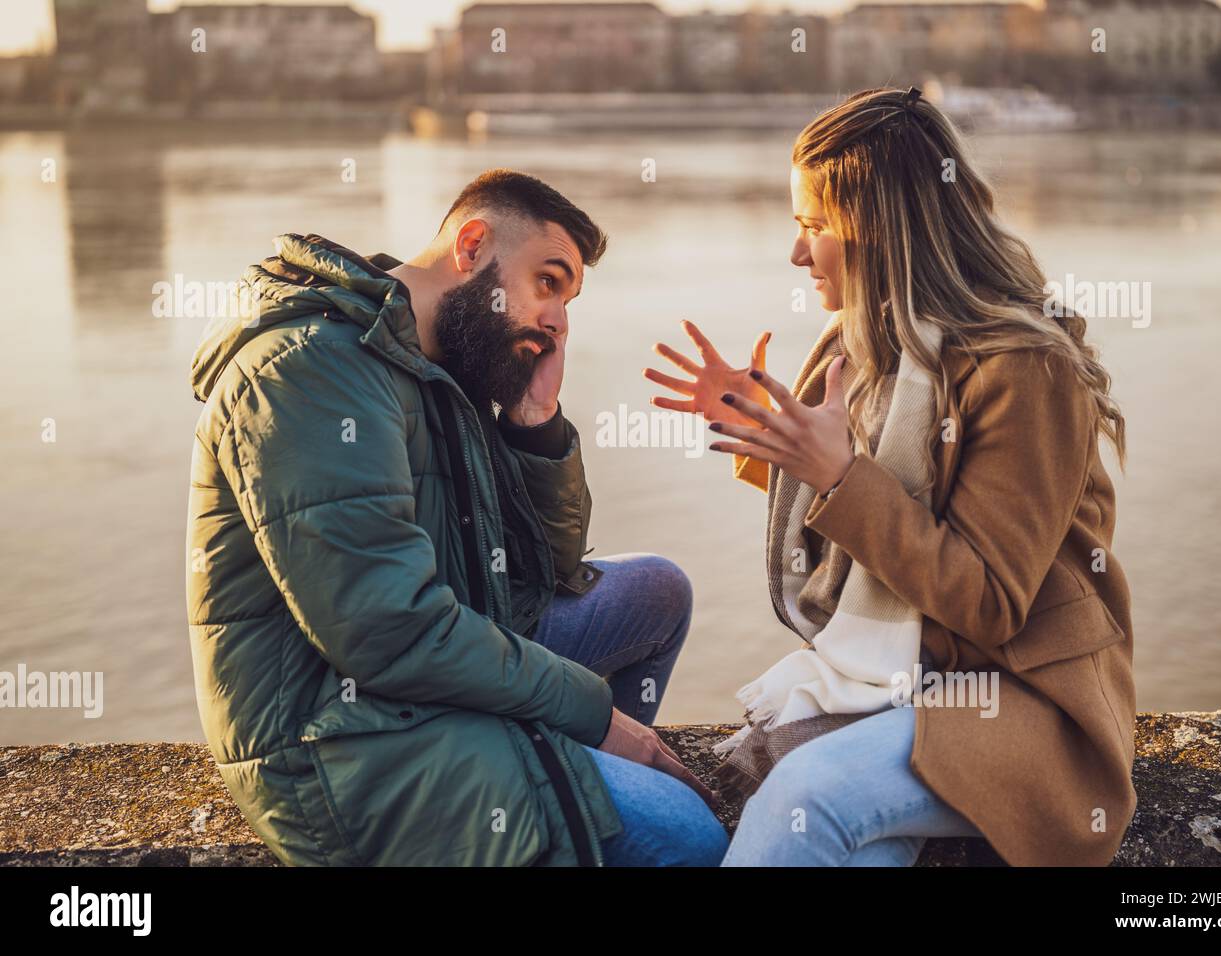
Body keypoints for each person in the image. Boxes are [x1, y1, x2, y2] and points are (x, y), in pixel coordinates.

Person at [645, 87, 1137, 867]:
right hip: (909, 684)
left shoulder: (1024, 367)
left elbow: (988, 602)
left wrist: (838, 474)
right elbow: (871, 503)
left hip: (1017, 697)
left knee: (807, 794)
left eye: (814, 227)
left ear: (885, 230)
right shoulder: (864, 344)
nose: (797, 255)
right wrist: (769, 435)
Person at [186, 169, 727, 866]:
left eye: (567, 297)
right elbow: (388, 631)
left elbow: (545, 578)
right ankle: (565, 793)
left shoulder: (442, 365)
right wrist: (597, 717)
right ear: (471, 247)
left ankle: (567, 791)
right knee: (689, 835)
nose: (560, 317)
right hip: (345, 736)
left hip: (433, 678)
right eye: (548, 282)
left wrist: (535, 423)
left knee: (657, 593)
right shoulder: (312, 368)